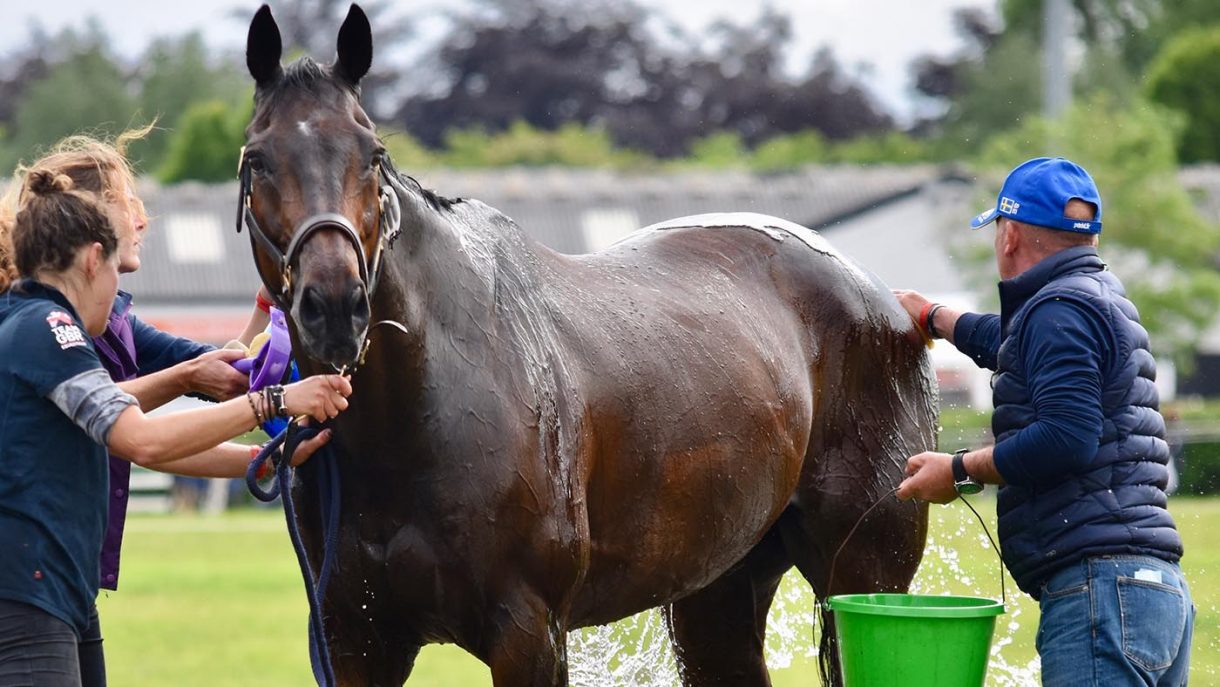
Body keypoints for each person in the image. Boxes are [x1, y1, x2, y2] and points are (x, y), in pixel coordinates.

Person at [0, 170, 352, 685]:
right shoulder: (50, 332)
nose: (119, 288)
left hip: (58, 590)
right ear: (93, 259)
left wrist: (269, 457)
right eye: (115, 271)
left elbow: (148, 426)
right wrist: (276, 401)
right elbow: (142, 439)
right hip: (26, 595)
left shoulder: (29, 322)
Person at [893, 157, 1194, 685]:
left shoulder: (1059, 311)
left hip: (1102, 595)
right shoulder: (1096, 299)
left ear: (1009, 234)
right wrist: (934, 316)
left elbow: (1064, 438)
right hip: (1149, 592)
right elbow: (1017, 346)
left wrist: (958, 469)